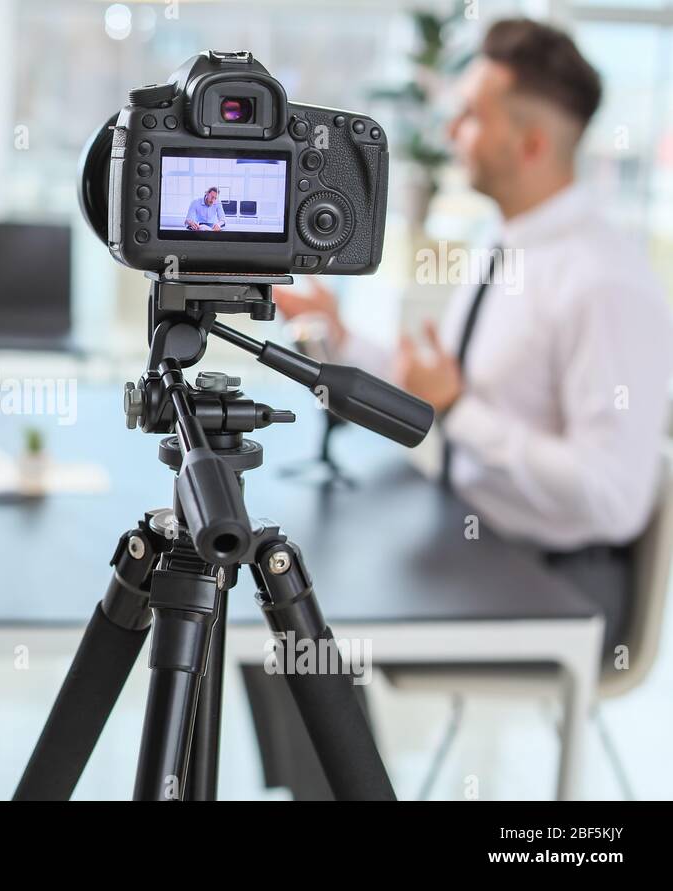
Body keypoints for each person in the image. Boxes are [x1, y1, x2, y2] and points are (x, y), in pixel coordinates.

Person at [251, 18, 673, 799]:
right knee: (269, 592)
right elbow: (433, 391)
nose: (451, 129)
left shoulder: (602, 282)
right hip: (466, 528)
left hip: (560, 581)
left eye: (472, 113)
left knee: (291, 623)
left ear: (533, 143)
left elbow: (612, 498)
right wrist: (342, 340)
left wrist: (462, 411)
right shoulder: (505, 240)